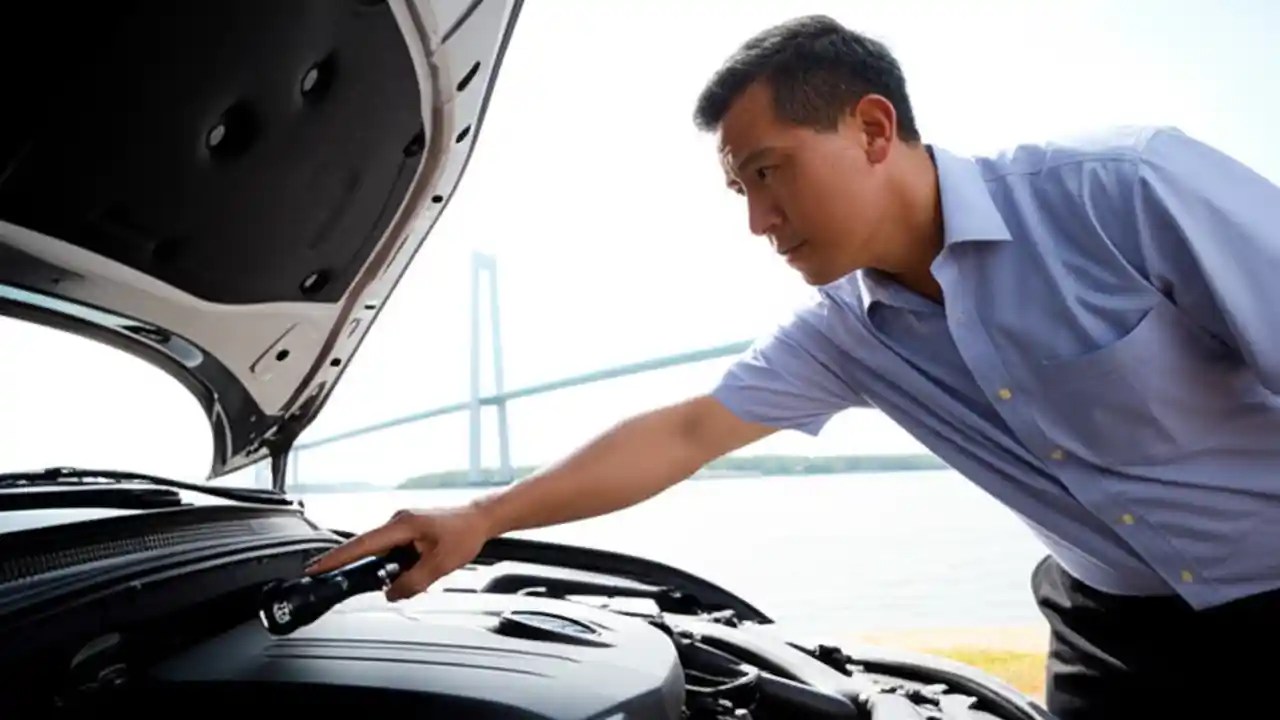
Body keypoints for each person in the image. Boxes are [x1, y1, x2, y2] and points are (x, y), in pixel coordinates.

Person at [304, 14, 1280, 719]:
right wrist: (482, 516)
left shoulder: (1123, 190)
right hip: (1108, 634)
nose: (755, 222)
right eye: (736, 189)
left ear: (869, 129)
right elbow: (687, 432)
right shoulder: (842, 331)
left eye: (767, 173)